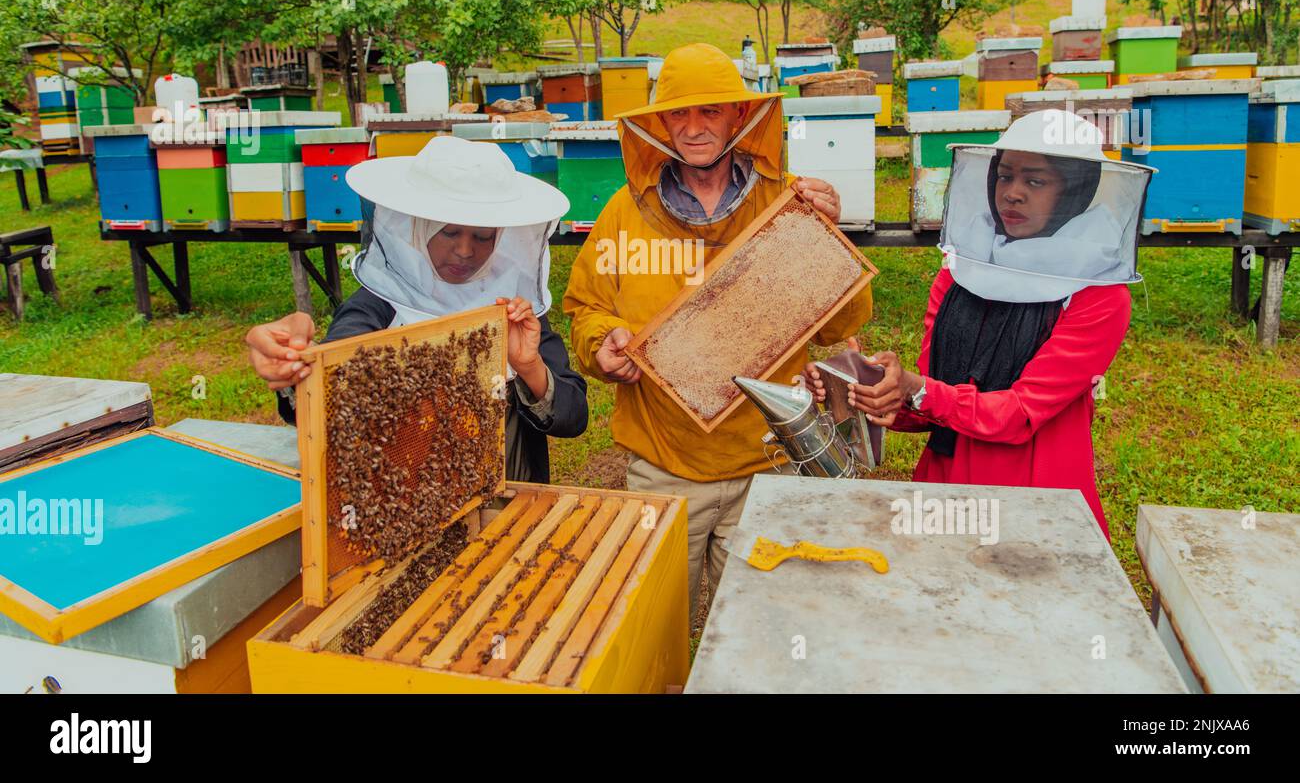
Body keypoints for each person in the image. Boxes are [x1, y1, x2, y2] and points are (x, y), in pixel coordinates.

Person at [563, 42, 875, 618]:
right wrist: (600, 343)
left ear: (739, 116)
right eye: (680, 113)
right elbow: (586, 306)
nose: (694, 127)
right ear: (661, 123)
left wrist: (829, 239)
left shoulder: (789, 201)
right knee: (653, 631)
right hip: (663, 468)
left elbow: (844, 324)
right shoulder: (623, 213)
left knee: (755, 631)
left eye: (710, 111)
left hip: (768, 460)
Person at [808, 109, 1154, 538]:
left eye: (1035, 181)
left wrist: (917, 390)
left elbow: (1021, 412)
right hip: (945, 479)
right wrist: (863, 388)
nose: (1012, 193)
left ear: (1075, 191)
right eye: (1004, 176)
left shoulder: (1099, 296)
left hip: (1035, 497)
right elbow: (931, 401)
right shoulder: (959, 272)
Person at [246, 136, 589, 482]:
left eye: (483, 237)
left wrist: (530, 367)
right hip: (404, 492)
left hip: (508, 496)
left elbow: (574, 417)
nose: (466, 250)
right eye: (449, 232)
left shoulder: (517, 308)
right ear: (419, 225)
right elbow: (332, 392)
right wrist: (296, 363)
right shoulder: (380, 302)